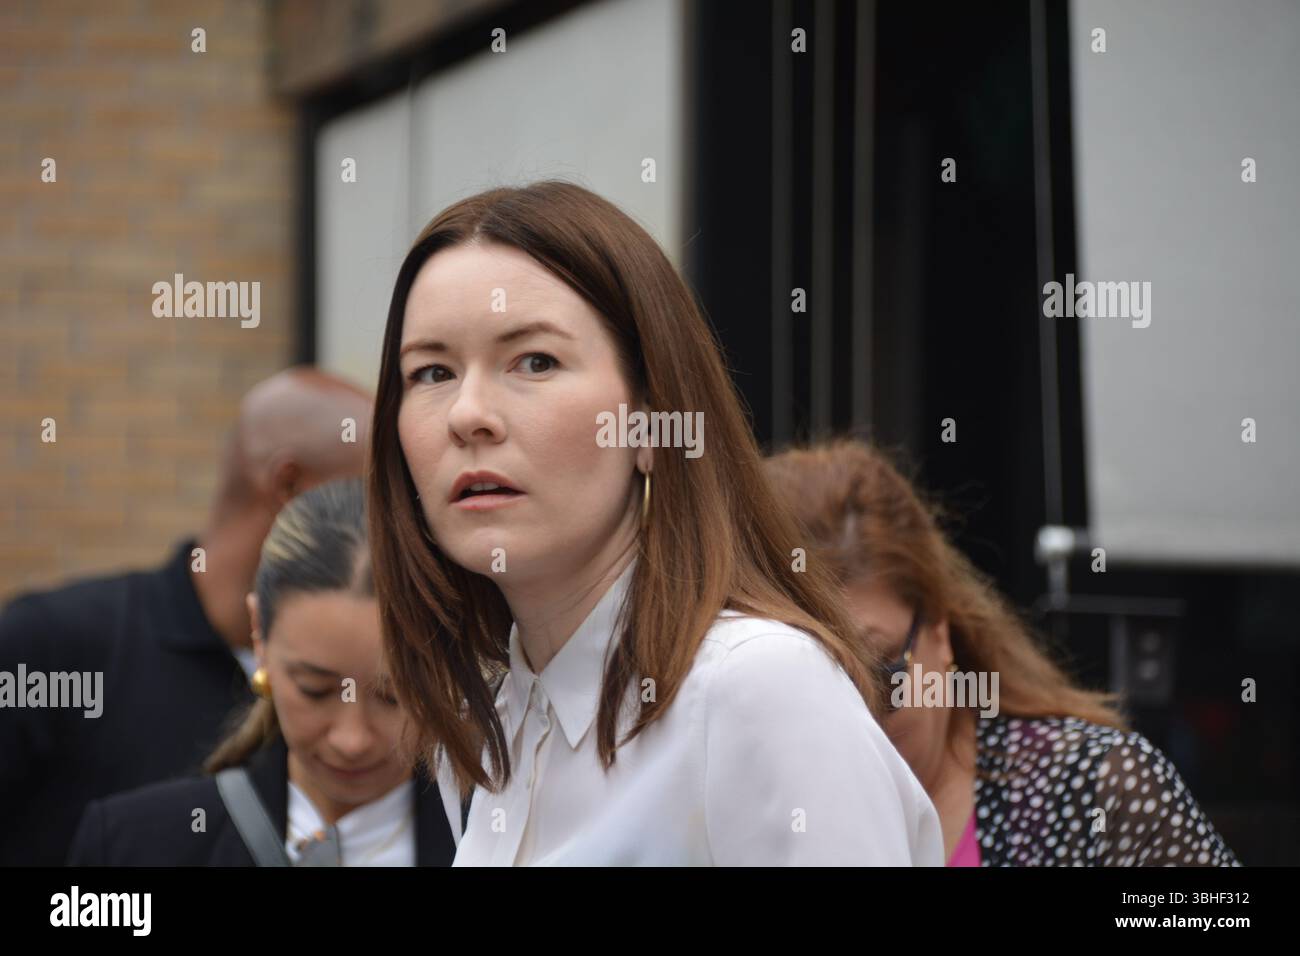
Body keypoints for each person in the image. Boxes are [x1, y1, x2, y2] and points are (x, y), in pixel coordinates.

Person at [366, 180, 943, 866]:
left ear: (650, 421)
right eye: (431, 372)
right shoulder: (506, 720)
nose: (468, 414)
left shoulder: (758, 686)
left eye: (535, 361)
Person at [764, 438, 1241, 866]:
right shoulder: (752, 812)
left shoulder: (1090, 788)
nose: (856, 718)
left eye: (880, 672)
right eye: (811, 689)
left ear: (939, 627)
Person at [0, 367, 373, 865]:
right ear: (289, 485)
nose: (394, 525)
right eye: (373, 493)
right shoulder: (50, 645)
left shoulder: (369, 686)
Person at [67, 478, 454, 866]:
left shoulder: (501, 840)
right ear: (259, 636)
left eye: (393, 696)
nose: (351, 740)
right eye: (314, 689)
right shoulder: (133, 845)